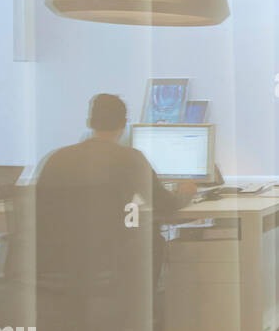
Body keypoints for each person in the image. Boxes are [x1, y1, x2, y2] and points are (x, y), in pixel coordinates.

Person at [33, 94, 196, 297]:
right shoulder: (131, 159)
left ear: (90, 122)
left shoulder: (56, 159)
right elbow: (165, 204)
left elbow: (40, 209)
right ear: (124, 124)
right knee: (154, 239)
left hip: (57, 259)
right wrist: (185, 193)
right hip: (109, 259)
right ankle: (141, 313)